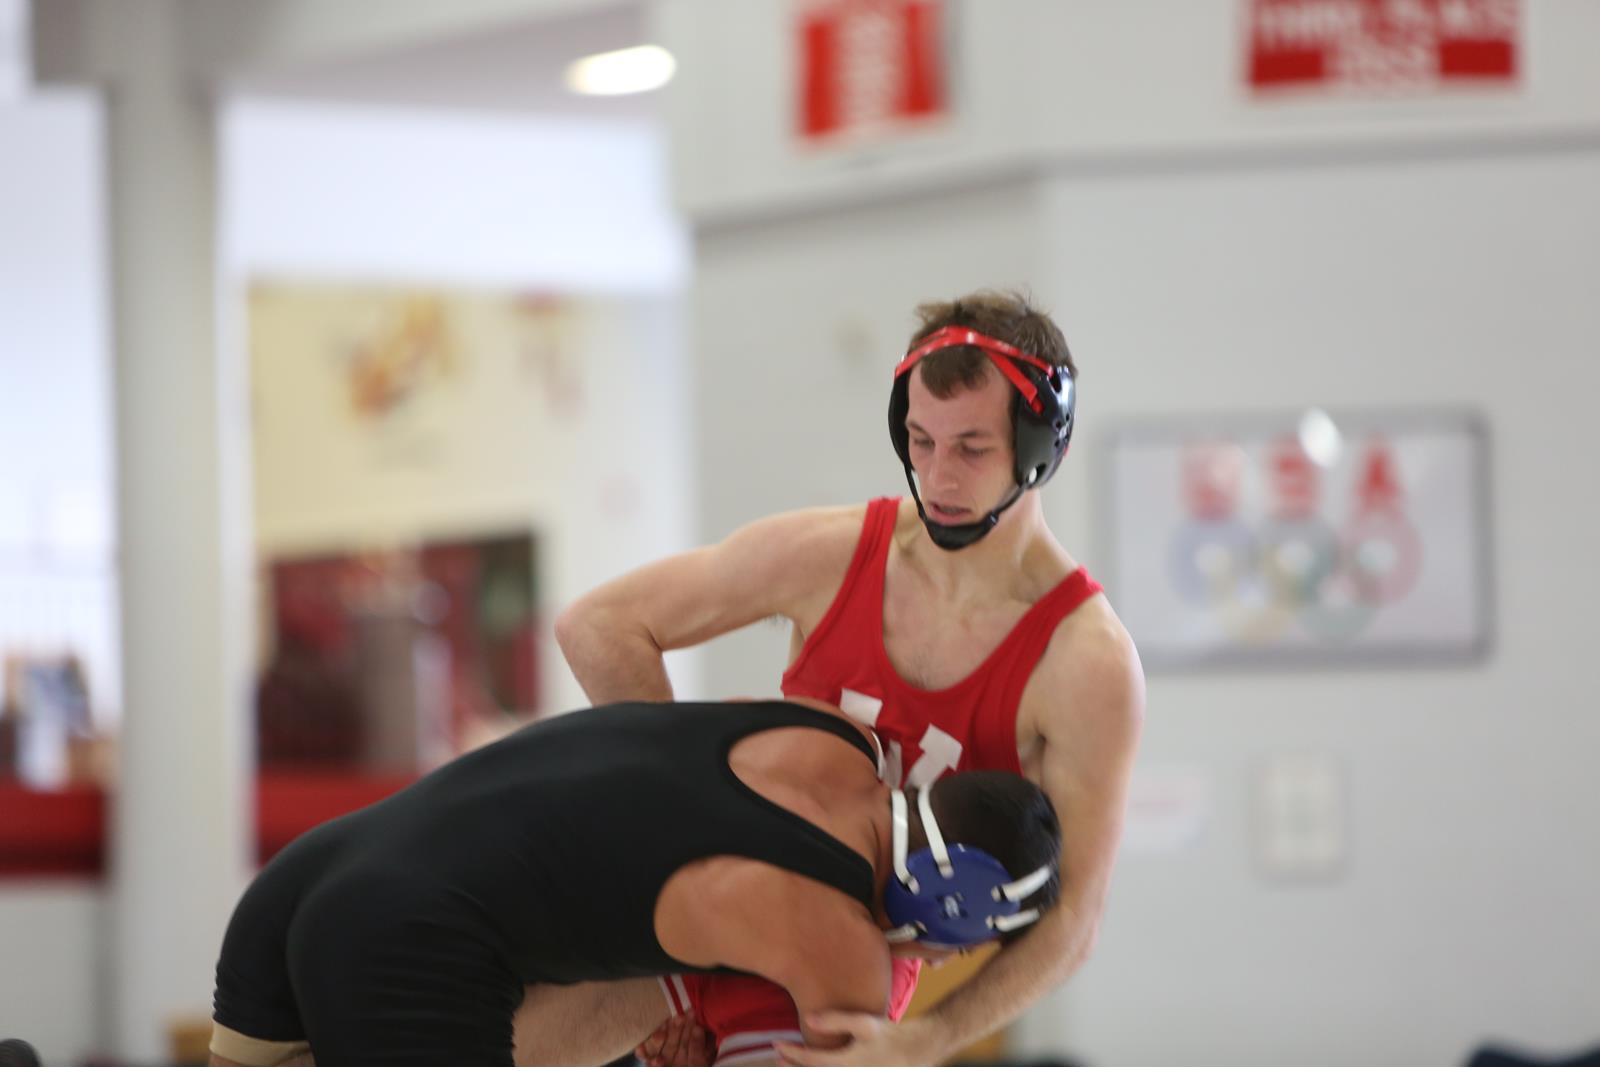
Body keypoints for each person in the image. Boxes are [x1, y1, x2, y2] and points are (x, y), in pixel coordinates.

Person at [553, 290, 1146, 1067]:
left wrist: (927, 1040)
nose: (937, 476)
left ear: (1039, 448)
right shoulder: (828, 553)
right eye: (920, 440)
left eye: (971, 447)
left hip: (832, 982)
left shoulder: (1083, 660)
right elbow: (598, 625)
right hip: (696, 907)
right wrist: (675, 820)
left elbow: (1073, 919)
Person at [207, 696, 1061, 1067]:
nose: (953, 960)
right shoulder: (841, 949)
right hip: (409, 941)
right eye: (974, 943)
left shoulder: (829, 735)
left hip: (311, 872)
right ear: (958, 903)